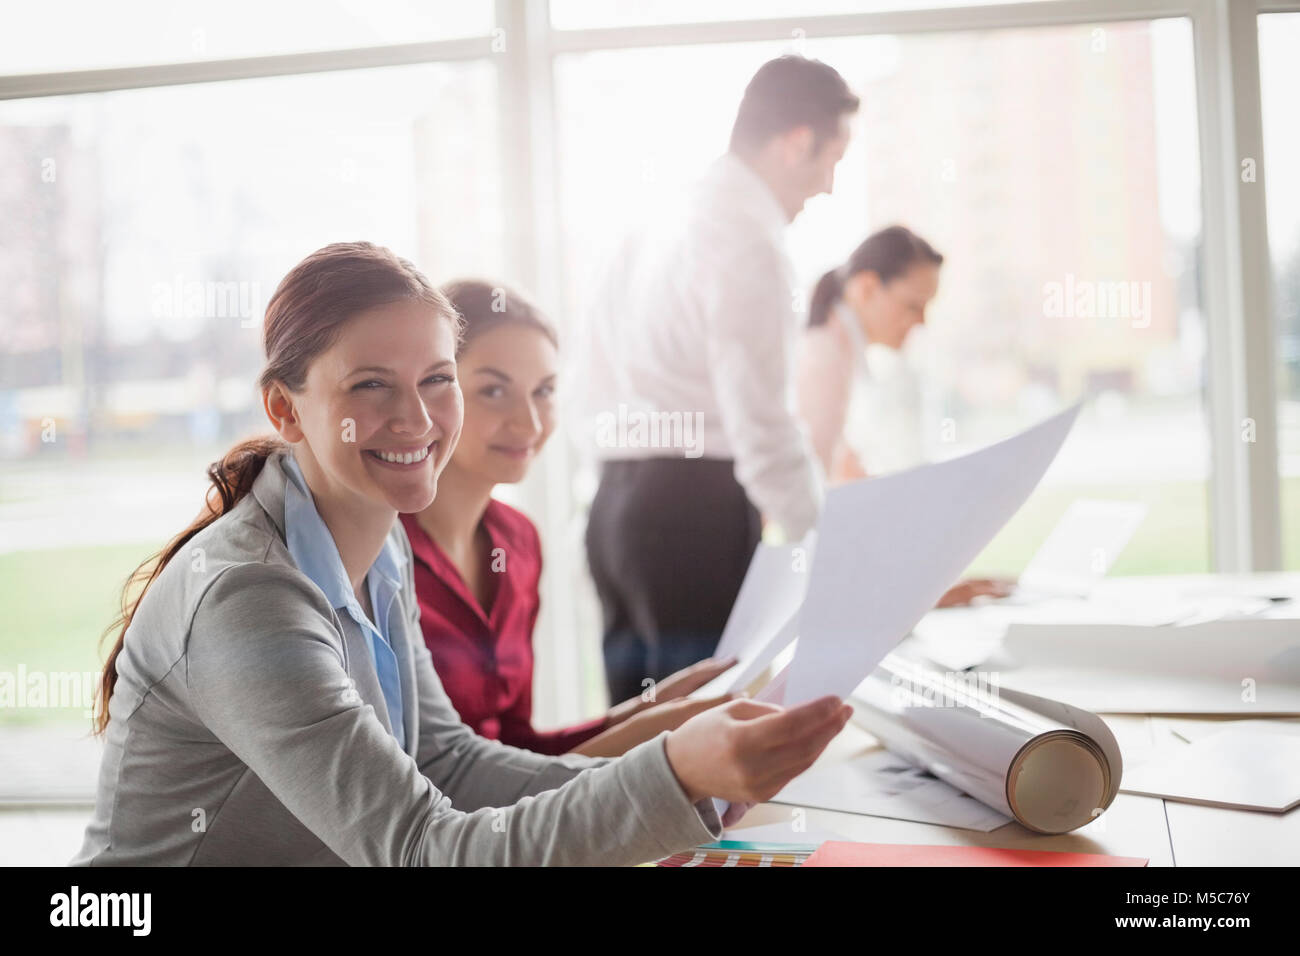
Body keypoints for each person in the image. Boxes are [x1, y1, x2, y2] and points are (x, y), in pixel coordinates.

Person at [72, 241, 851, 866]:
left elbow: (448, 762)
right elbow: (421, 847)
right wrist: (673, 774)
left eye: (436, 380)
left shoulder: (378, 547)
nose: (416, 420)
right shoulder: (251, 600)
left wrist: (678, 772)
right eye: (371, 385)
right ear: (286, 409)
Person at [575, 55, 860, 704]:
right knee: (702, 746)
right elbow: (761, 419)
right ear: (796, 143)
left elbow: (587, 378)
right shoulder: (749, 241)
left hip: (615, 509)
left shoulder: (655, 221)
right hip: (693, 515)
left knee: (631, 740)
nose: (829, 186)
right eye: (831, 160)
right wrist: (822, 541)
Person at [400, 279, 735, 759]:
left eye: (544, 391)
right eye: (494, 391)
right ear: (434, 391)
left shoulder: (518, 541)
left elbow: (514, 748)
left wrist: (653, 709)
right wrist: (660, 735)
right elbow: (436, 779)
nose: (530, 423)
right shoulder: (379, 549)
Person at [797, 226, 1012, 608]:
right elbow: (818, 507)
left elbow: (852, 484)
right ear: (866, 289)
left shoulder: (837, 356)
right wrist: (915, 592)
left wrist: (927, 582)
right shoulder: (824, 359)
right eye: (913, 305)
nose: (922, 322)